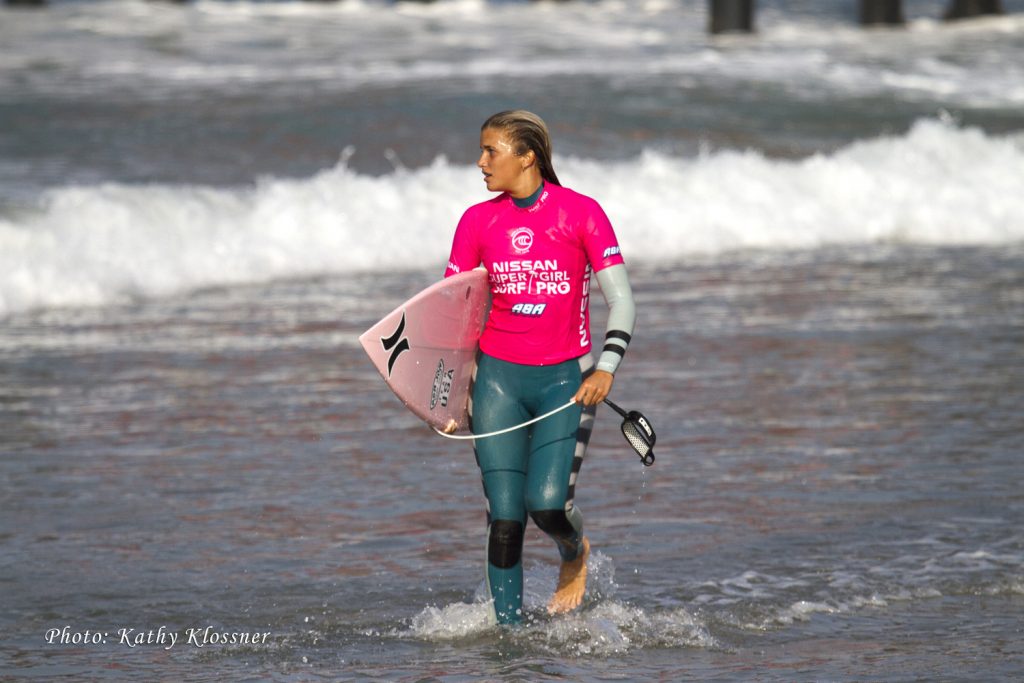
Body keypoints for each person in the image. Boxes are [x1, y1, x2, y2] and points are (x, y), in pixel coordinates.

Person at [444, 110, 636, 626]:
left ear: (526, 156)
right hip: (497, 381)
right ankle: (509, 633)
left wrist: (607, 369)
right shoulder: (477, 221)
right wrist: (445, 397)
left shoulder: (581, 213)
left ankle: (574, 554)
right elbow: (454, 315)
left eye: (492, 151)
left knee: (547, 505)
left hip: (565, 381)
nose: (481, 162)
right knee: (505, 517)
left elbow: (622, 301)